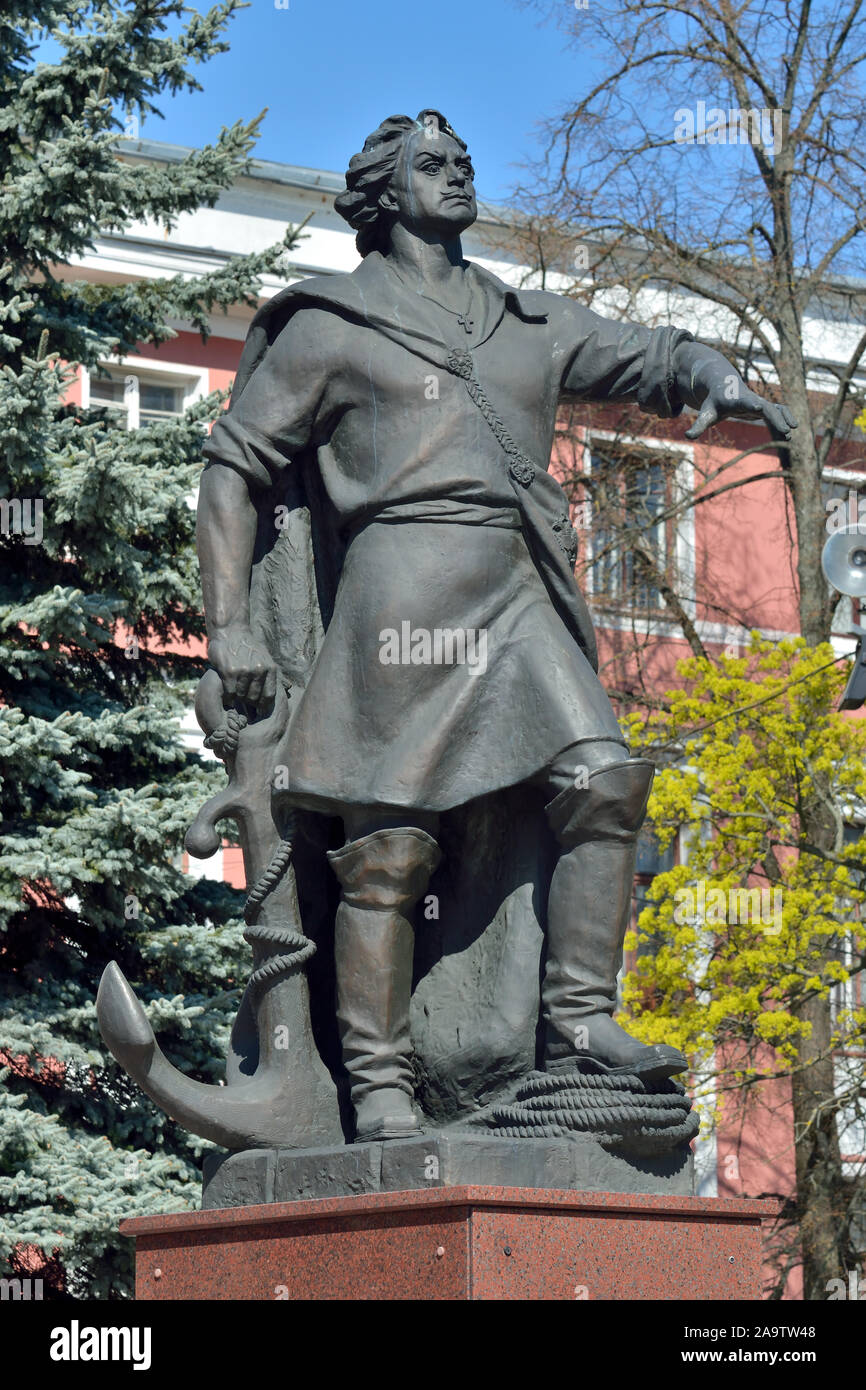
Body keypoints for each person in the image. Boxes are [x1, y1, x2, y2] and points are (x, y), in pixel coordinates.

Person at [197, 110, 796, 1143]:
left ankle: (578, 1022)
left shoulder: (522, 320)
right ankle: (378, 1083)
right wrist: (229, 627)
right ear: (384, 195)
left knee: (603, 781)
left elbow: (639, 355)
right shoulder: (332, 324)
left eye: (466, 161)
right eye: (433, 165)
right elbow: (232, 467)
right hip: (399, 592)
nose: (458, 176)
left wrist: (710, 373)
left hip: (518, 592)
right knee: (387, 847)